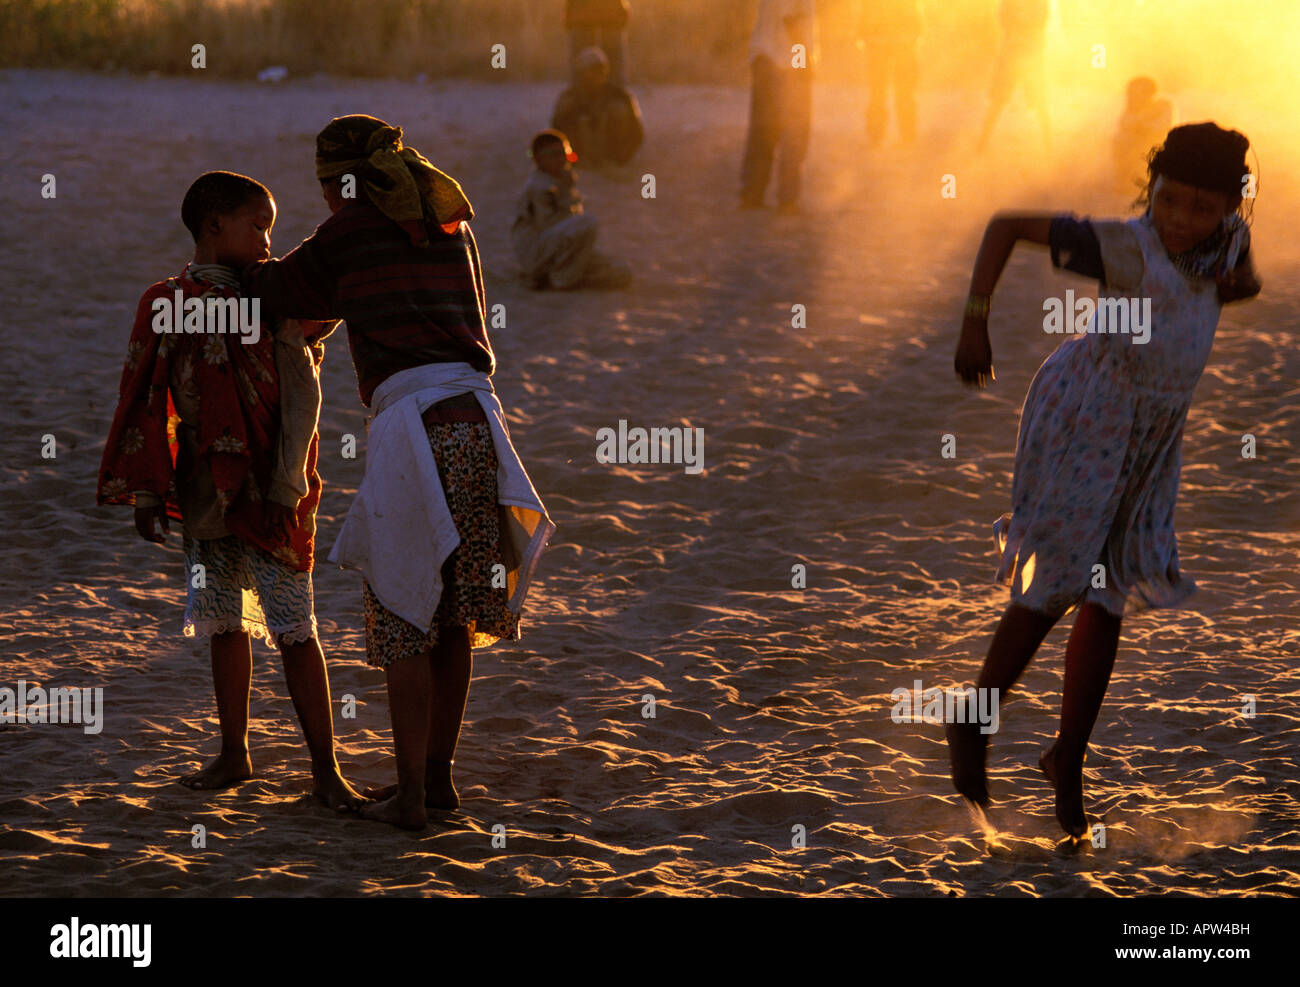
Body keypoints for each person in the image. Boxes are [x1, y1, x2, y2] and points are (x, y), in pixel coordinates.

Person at [243, 115, 557, 830]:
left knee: (404, 614)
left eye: (325, 186)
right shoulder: (452, 219)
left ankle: (410, 794)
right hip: (479, 427)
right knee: (454, 617)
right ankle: (439, 779)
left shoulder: (349, 231)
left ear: (338, 181)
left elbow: (279, 292)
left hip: (413, 434)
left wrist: (226, 264)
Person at [947, 123, 1262, 837]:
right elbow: (1002, 226)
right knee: (1057, 581)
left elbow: (1242, 278)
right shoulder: (1123, 243)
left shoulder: (1229, 242)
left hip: (1154, 440)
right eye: (1170, 199)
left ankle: (1069, 755)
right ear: (1150, 187)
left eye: (1202, 208)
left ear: (1229, 208)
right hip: (1090, 418)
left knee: (1108, 590)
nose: (1181, 219)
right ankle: (973, 717)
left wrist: (1236, 282)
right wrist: (975, 323)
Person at [97, 170, 361, 810]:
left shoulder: (274, 300)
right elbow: (146, 396)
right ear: (214, 227)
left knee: (296, 629)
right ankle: (234, 751)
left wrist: (287, 487)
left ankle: (326, 771)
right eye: (258, 225)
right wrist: (145, 492)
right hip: (202, 490)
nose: (269, 239)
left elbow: (303, 398)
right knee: (222, 623)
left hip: (274, 489)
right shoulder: (167, 301)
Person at [512, 129, 633, 290]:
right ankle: (559, 279)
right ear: (539, 159)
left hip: (557, 248)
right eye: (555, 155)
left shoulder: (559, 180)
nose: (562, 160)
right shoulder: (539, 186)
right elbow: (549, 226)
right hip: (537, 251)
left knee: (621, 270)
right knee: (588, 222)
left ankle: (562, 277)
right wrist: (564, 193)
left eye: (566, 154)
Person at [740, 0, 816, 212]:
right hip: (785, 64)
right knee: (795, 131)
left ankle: (752, 193)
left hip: (765, 59)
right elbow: (791, 18)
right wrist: (802, 63)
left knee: (763, 130)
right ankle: (787, 199)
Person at [976, 0, 1051, 152]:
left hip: (1025, 53)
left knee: (1037, 101)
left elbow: (1040, 21)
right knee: (999, 101)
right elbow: (1004, 20)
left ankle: (1049, 145)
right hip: (1016, 53)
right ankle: (981, 143)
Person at [551, 45, 644, 167]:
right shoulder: (570, 98)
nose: (597, 74)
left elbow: (636, 132)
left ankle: (611, 157)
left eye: (600, 69)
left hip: (614, 159)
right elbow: (557, 129)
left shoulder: (620, 97)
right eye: (592, 70)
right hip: (578, 159)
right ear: (582, 72)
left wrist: (623, 157)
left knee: (618, 109)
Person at [860, 0, 921, 148]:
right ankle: (906, 136)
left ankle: (877, 135)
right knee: (902, 90)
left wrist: (864, 32)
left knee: (879, 91)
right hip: (901, 38)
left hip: (882, 38)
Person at [1112, 76, 1175, 197]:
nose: (1134, 97)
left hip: (1156, 145)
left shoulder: (1162, 106)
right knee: (1120, 140)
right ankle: (1124, 179)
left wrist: (1140, 123)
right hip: (1135, 145)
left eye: (1138, 93)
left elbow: (1161, 127)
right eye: (1132, 93)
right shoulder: (1134, 109)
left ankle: (1144, 180)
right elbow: (1124, 124)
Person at [566, 0, 631, 87]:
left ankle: (580, 94)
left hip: (582, 14)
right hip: (611, 13)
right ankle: (615, 95)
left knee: (581, 66)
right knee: (614, 69)